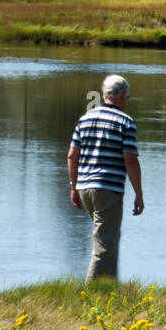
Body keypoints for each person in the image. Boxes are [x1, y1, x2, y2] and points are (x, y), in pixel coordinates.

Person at [67, 75, 144, 281]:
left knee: (110, 238)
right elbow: (131, 161)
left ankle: (110, 288)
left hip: (85, 189)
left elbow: (72, 156)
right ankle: (89, 294)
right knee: (103, 245)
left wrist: (74, 188)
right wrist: (139, 195)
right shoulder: (125, 122)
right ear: (123, 95)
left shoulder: (85, 119)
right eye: (128, 97)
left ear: (104, 94)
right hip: (107, 189)